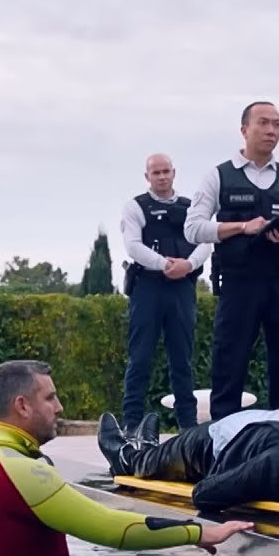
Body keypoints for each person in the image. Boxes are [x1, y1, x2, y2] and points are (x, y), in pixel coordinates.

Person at [0, 359, 253, 556]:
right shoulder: (14, 468)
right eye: (50, 397)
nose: (60, 407)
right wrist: (200, 532)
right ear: (22, 406)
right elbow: (112, 529)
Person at [184, 101, 279, 420]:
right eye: (264, 123)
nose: (272, 131)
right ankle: (223, 441)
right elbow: (193, 228)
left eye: (277, 125)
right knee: (229, 364)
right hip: (239, 282)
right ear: (245, 129)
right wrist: (243, 227)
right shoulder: (219, 176)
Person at [97, 407, 279, 512]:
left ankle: (127, 454)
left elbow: (204, 494)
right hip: (252, 423)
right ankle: (148, 445)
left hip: (216, 441)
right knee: (161, 453)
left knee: (149, 464)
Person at [119, 153, 212, 434]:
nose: (161, 177)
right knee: (140, 357)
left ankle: (188, 425)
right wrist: (163, 264)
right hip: (148, 287)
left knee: (182, 358)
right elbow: (133, 245)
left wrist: (189, 265)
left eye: (165, 171)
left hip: (182, 287)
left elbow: (205, 239)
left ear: (174, 173)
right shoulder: (136, 207)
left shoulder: (190, 207)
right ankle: (132, 424)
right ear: (147, 176)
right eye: (155, 173)